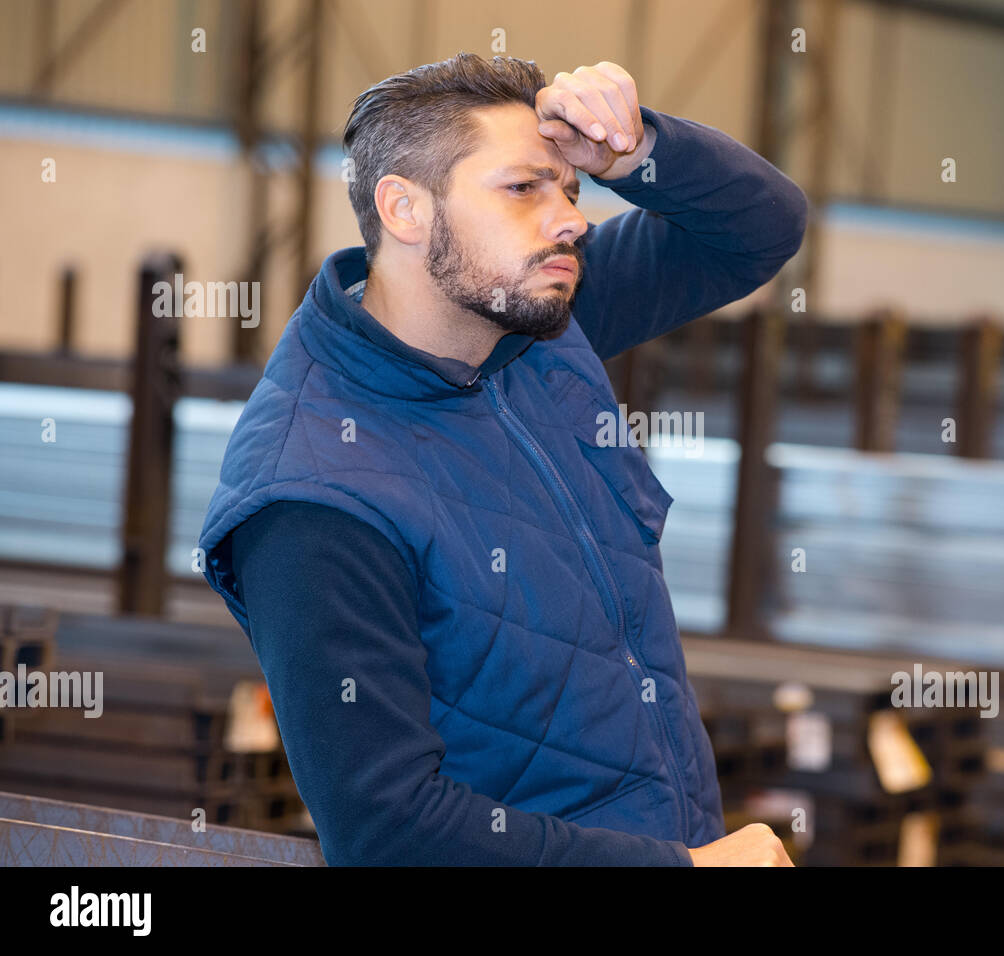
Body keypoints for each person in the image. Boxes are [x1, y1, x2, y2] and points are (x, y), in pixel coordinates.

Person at [198, 53, 806, 866]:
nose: (571, 220)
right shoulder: (313, 494)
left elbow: (761, 229)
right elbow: (388, 833)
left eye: (571, 189)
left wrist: (640, 153)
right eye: (524, 189)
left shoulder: (535, 326)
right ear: (404, 209)